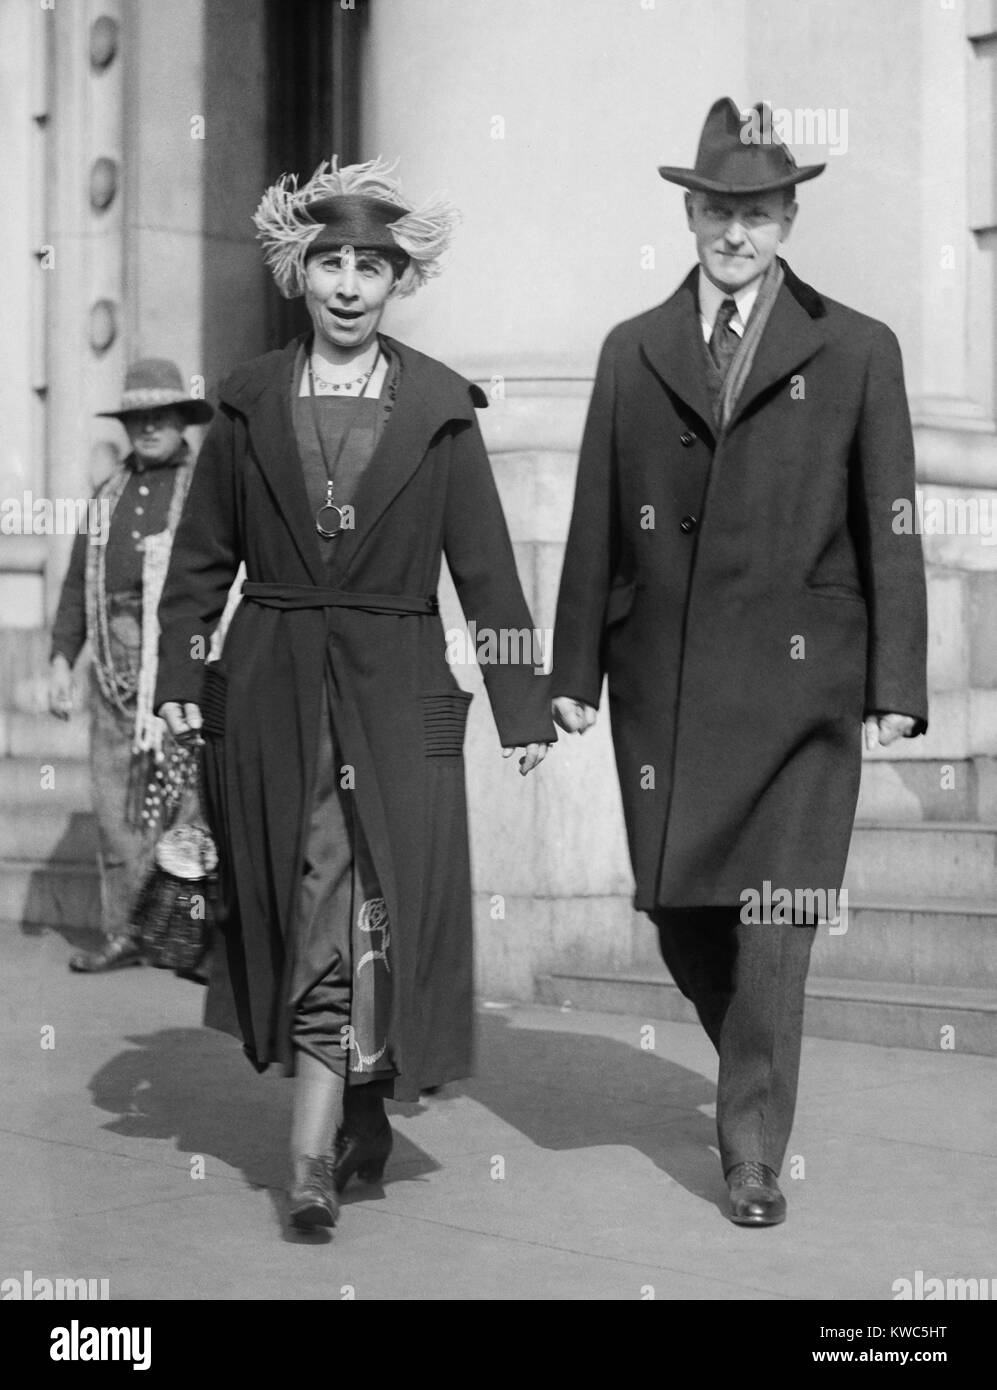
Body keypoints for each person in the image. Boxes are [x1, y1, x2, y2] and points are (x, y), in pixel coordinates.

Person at [154, 156, 554, 1233]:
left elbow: (485, 572)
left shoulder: (436, 408)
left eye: (367, 266)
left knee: (380, 898)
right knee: (311, 898)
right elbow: (199, 562)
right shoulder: (245, 405)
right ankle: (325, 1136)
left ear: (396, 279)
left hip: (398, 689)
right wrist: (179, 676)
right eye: (327, 261)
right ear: (297, 270)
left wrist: (522, 704)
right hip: (274, 686)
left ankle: (335, 1125)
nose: (345, 284)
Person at [552, 98, 928, 1226]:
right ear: (689, 209)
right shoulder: (632, 350)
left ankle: (753, 1147)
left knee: (773, 922)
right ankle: (749, 1071)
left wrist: (895, 684)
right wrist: (569, 669)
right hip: (662, 693)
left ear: (789, 216)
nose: (736, 231)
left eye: (757, 211)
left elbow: (890, 522)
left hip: (803, 693)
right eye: (719, 207)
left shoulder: (859, 348)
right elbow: (593, 518)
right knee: (678, 914)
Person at [49, 360, 214, 972]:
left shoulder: (204, 490)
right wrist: (64, 659)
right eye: (138, 418)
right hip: (114, 663)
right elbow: (74, 586)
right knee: (117, 798)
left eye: (161, 417)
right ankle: (126, 930)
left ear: (181, 423)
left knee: (190, 797)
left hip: (181, 653)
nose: (149, 428)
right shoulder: (106, 497)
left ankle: (191, 941)